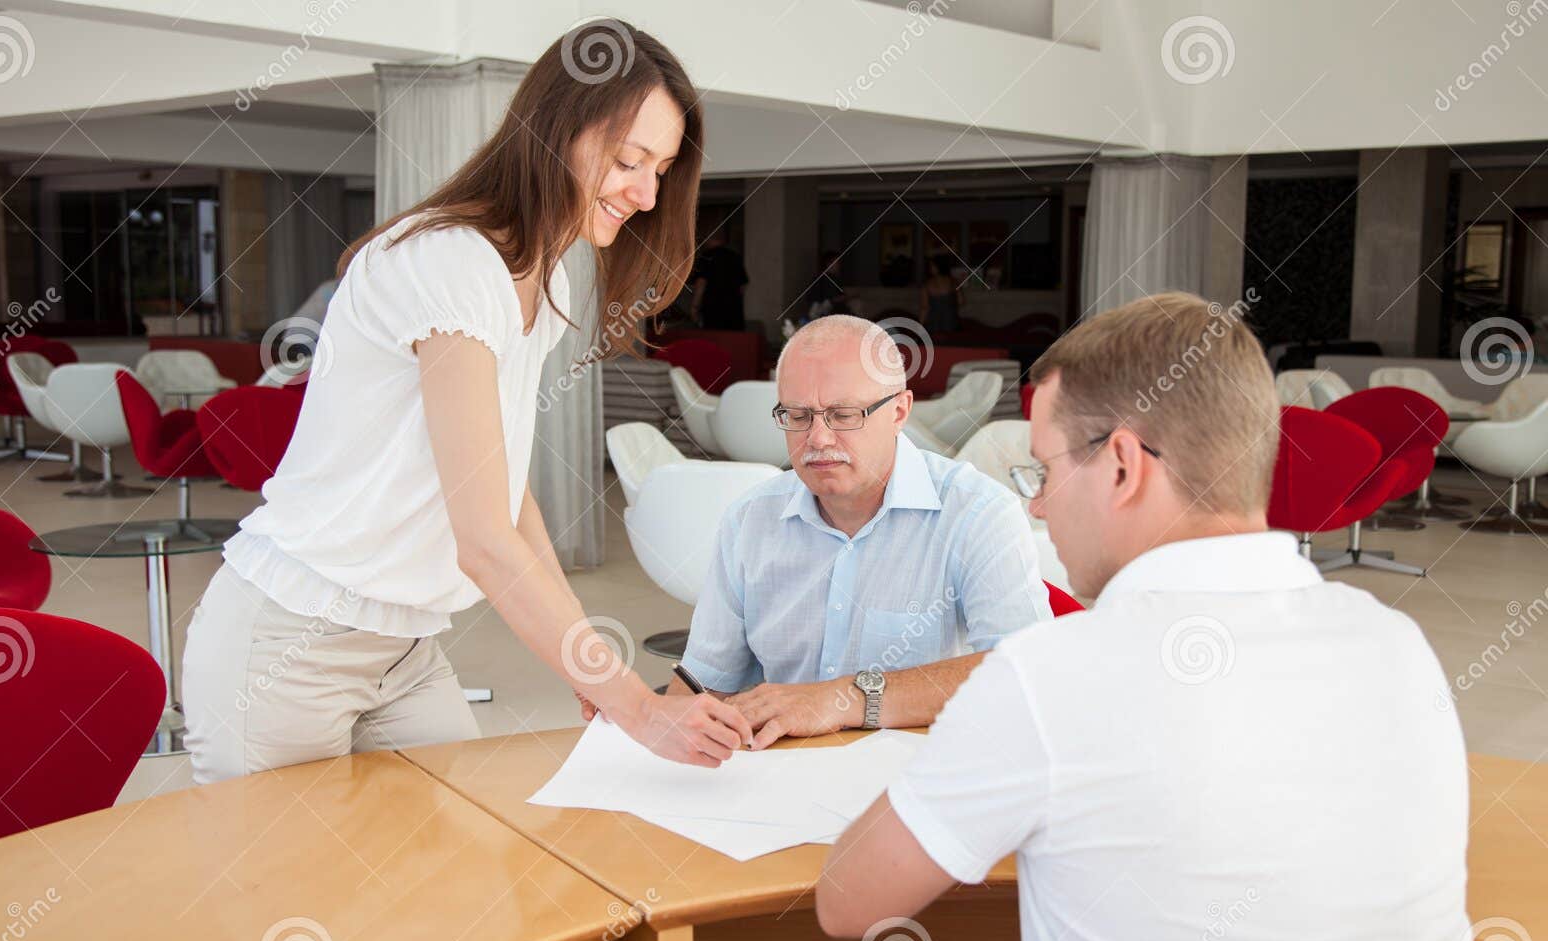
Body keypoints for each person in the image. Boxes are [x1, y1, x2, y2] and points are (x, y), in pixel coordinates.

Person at [182, 21, 753, 784]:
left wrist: (591, 668)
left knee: (464, 864)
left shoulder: (542, 283)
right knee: (283, 894)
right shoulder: (451, 260)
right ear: (556, 133)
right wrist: (634, 705)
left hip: (405, 648)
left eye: (663, 169)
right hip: (290, 640)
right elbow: (482, 541)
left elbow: (506, 495)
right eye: (628, 161)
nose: (647, 194)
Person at [815, 292, 1470, 941]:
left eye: (1045, 469)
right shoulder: (1396, 643)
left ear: (1122, 466)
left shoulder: (1050, 674)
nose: (1037, 504)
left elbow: (846, 901)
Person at [602, 314, 1051, 749]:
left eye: (843, 415)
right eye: (797, 416)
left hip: (916, 784)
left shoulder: (977, 513)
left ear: (899, 411)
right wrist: (644, 715)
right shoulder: (750, 519)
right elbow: (708, 680)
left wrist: (842, 700)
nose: (817, 439)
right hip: (776, 781)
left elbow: (1025, 673)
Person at [691, 229, 747, 329]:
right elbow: (743, 286)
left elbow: (701, 284)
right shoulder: (735, 256)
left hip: (712, 312)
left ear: (708, 239)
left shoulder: (705, 257)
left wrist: (694, 308)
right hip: (734, 312)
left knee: (712, 341)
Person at [919, 254, 960, 333]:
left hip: (933, 323)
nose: (930, 268)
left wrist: (920, 325)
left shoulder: (927, 284)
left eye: (932, 266)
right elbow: (961, 301)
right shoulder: (953, 282)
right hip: (950, 321)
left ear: (938, 267)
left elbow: (924, 307)